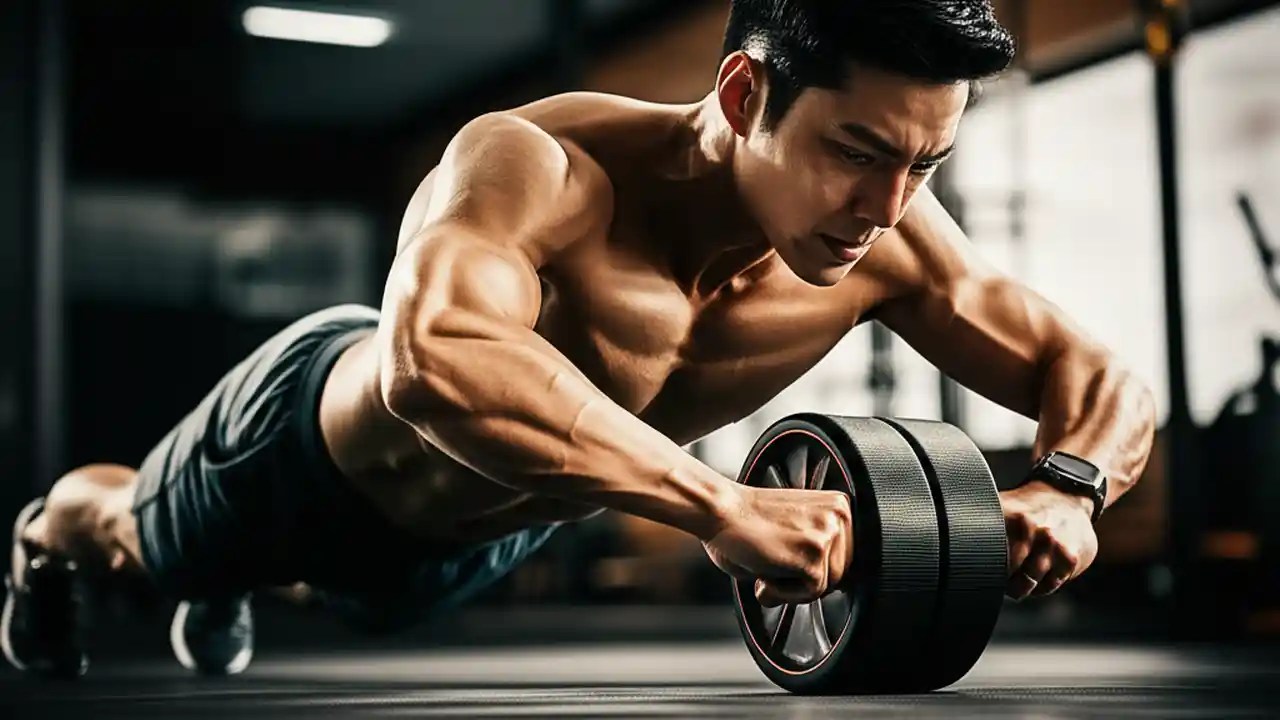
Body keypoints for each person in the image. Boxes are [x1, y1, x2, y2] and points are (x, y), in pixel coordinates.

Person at [3, 0, 1155, 678]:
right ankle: (43, 535)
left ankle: (252, 588)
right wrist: (721, 504)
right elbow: (433, 363)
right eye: (856, 153)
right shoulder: (539, 163)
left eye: (926, 164)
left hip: (471, 543)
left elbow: (1088, 372)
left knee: (342, 595)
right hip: (301, 459)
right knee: (131, 539)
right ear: (746, 95)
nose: (890, 206)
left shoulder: (890, 235)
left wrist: (1066, 485)